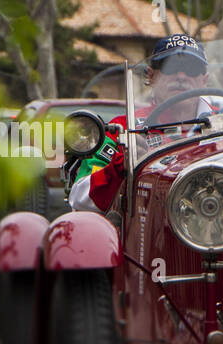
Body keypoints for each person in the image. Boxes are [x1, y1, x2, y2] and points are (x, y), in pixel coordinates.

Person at [68, 35, 214, 214]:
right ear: (151, 76)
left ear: (204, 80)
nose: (181, 76)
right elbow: (79, 199)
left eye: (191, 69)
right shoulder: (123, 129)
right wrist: (120, 167)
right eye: (171, 67)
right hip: (146, 234)